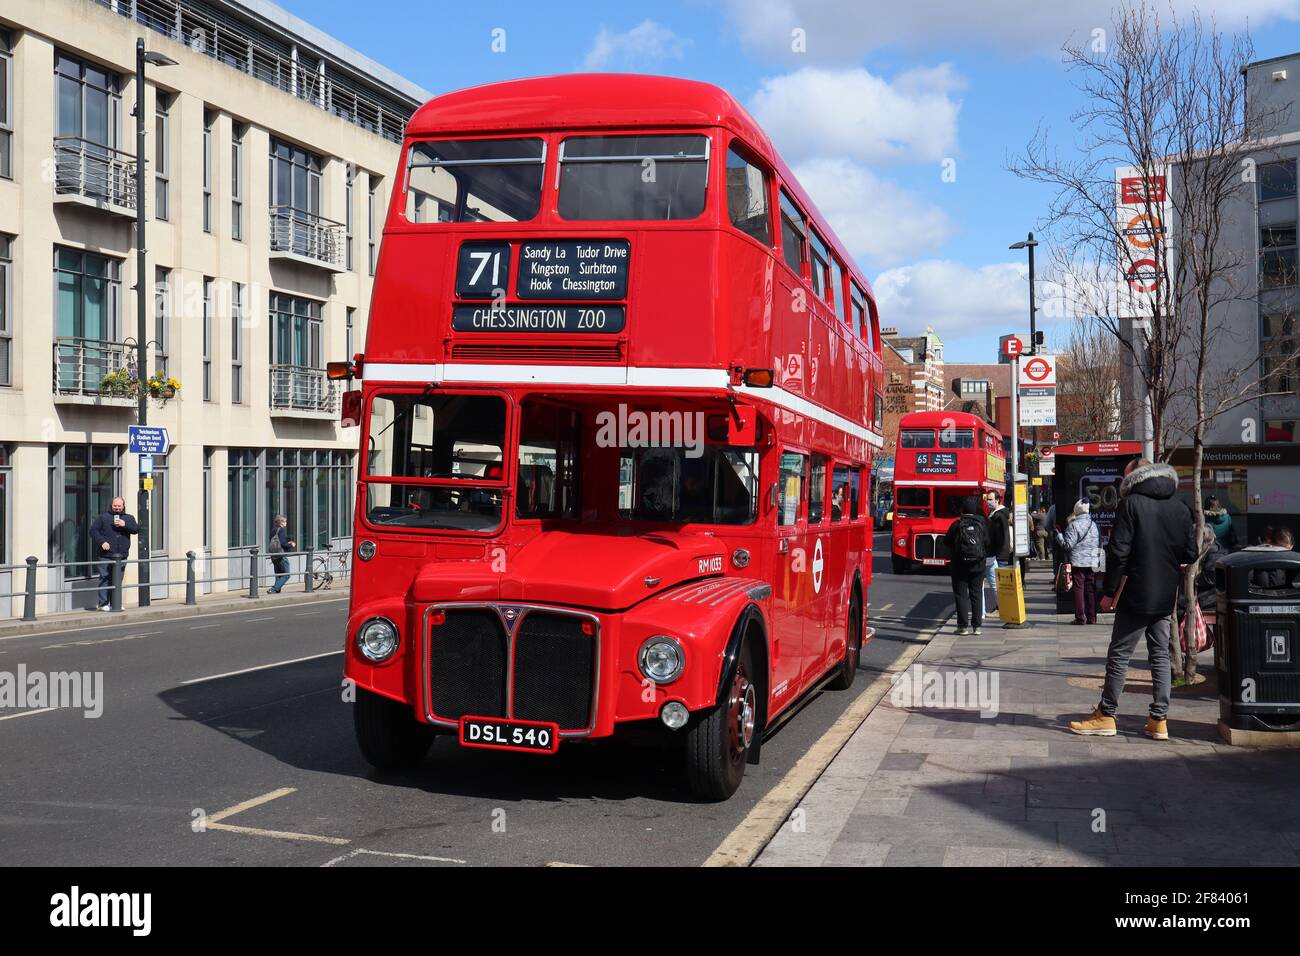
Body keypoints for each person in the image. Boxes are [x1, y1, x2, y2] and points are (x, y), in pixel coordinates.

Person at [1068, 459, 1196, 741]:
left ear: (1135, 476)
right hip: (1166, 594)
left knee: (1119, 654)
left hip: (1136, 592)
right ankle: (1159, 719)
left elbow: (1118, 551)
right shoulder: (1180, 507)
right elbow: (1191, 552)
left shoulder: (1131, 504)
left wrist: (1110, 591)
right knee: (1160, 655)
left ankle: (1107, 714)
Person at [944, 496, 992, 636]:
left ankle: (962, 626)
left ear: (962, 510)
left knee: (961, 595)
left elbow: (946, 542)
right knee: (976, 594)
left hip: (959, 565)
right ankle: (977, 627)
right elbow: (987, 543)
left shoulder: (957, 524)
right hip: (978, 565)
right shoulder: (982, 524)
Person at [90, 496, 140, 611]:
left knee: (118, 579)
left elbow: (136, 529)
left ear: (123, 506)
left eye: (119, 506)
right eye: (115, 506)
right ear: (111, 505)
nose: (117, 508)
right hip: (106, 555)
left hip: (122, 554)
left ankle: (116, 603)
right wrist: (102, 542)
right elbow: (93, 531)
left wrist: (124, 525)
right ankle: (103, 604)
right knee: (105, 578)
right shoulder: (103, 517)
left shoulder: (128, 518)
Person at [1061, 499, 1101, 625]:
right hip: (1092, 561)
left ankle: (1080, 617)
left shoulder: (1073, 525)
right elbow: (1099, 543)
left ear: (1076, 511)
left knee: (1079, 588)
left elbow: (1067, 545)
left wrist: (1059, 536)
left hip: (1078, 562)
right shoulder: (1094, 525)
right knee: (1090, 588)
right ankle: (1092, 617)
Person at [984, 490, 1011, 616]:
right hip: (1001, 553)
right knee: (999, 583)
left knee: (998, 584)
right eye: (987, 499)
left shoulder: (998, 516)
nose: (988, 502)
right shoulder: (997, 514)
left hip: (999, 554)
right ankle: (1001, 607)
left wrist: (993, 550)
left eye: (990, 499)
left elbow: (999, 537)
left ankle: (1002, 608)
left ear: (997, 500)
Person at [267, 515, 295, 594]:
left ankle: (277, 589)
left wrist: (286, 542)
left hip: (274, 555)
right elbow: (283, 544)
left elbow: (277, 542)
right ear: (281, 522)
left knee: (279, 574)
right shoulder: (281, 530)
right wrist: (291, 545)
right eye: (285, 521)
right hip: (281, 555)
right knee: (286, 575)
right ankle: (273, 589)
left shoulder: (273, 530)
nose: (286, 523)